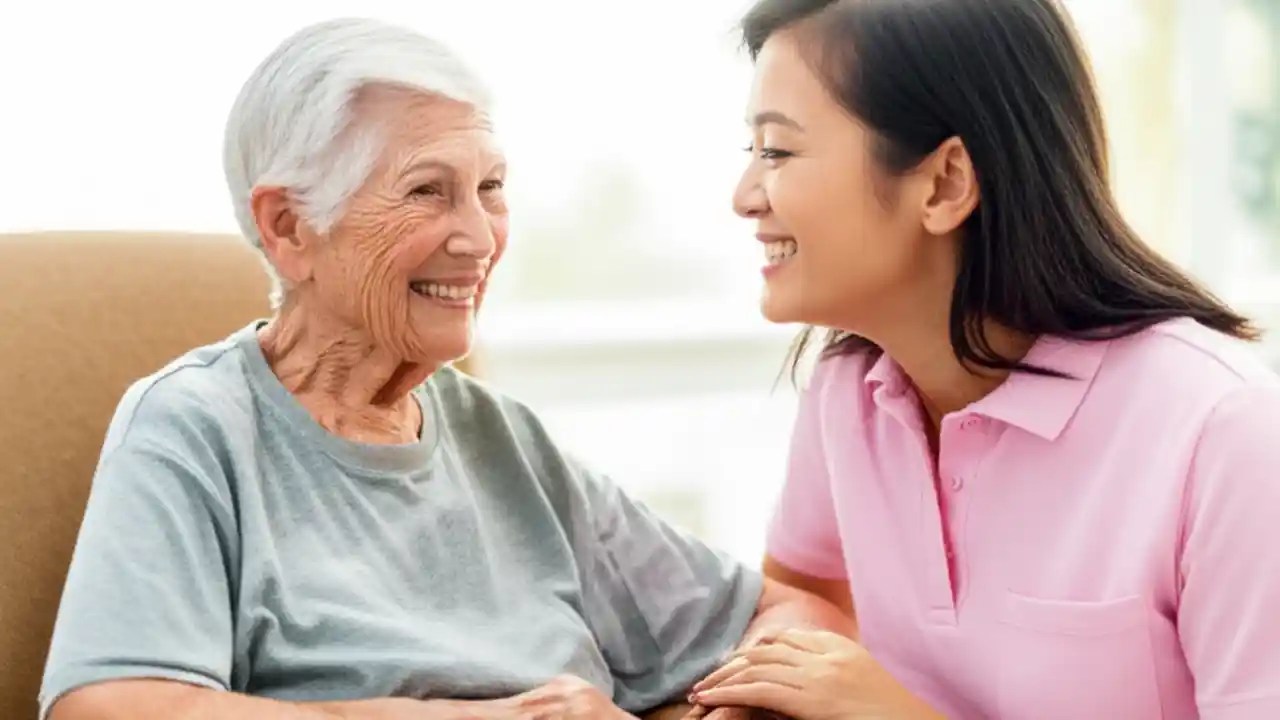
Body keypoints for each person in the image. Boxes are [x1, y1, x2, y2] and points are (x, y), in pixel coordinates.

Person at [39, 18, 851, 720]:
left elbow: (790, 617)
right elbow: (109, 705)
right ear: (289, 226)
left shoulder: (501, 438)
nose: (479, 238)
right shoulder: (196, 428)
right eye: (427, 192)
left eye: (490, 188)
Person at [686, 0, 1280, 718]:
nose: (744, 196)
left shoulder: (1227, 433)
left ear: (944, 183)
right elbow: (805, 594)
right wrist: (762, 693)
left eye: (777, 152)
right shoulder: (851, 390)